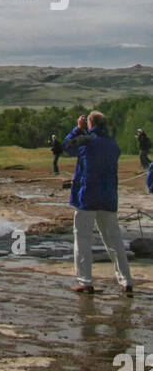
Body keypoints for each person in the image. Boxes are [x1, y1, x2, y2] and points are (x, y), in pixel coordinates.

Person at [63, 111, 132, 295]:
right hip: (108, 197)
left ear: (90, 123)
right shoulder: (113, 144)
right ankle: (126, 281)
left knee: (83, 238)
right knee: (114, 241)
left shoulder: (87, 141)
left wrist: (78, 129)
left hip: (87, 196)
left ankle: (85, 281)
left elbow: (67, 146)